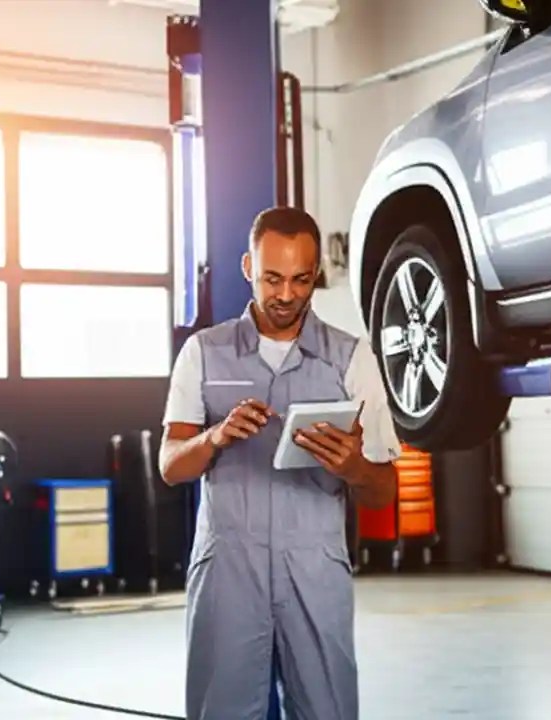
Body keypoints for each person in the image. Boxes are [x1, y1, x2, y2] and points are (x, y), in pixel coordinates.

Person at [158, 206, 401, 720]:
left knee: (327, 711)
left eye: (300, 279)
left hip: (316, 572)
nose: (286, 294)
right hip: (228, 570)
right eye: (272, 278)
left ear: (316, 275)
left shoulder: (352, 360)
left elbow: (384, 491)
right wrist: (216, 436)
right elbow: (170, 466)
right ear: (248, 267)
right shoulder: (203, 353)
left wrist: (354, 466)